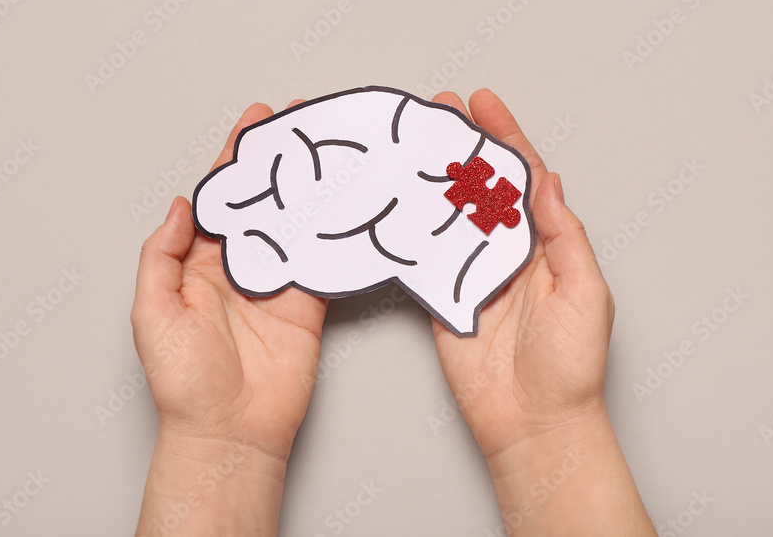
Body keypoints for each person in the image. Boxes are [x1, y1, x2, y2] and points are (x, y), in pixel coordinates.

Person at [130, 89, 658, 536]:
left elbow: (486, 202)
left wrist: (551, 424)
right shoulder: (440, 181)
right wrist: (219, 435)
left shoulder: (463, 189)